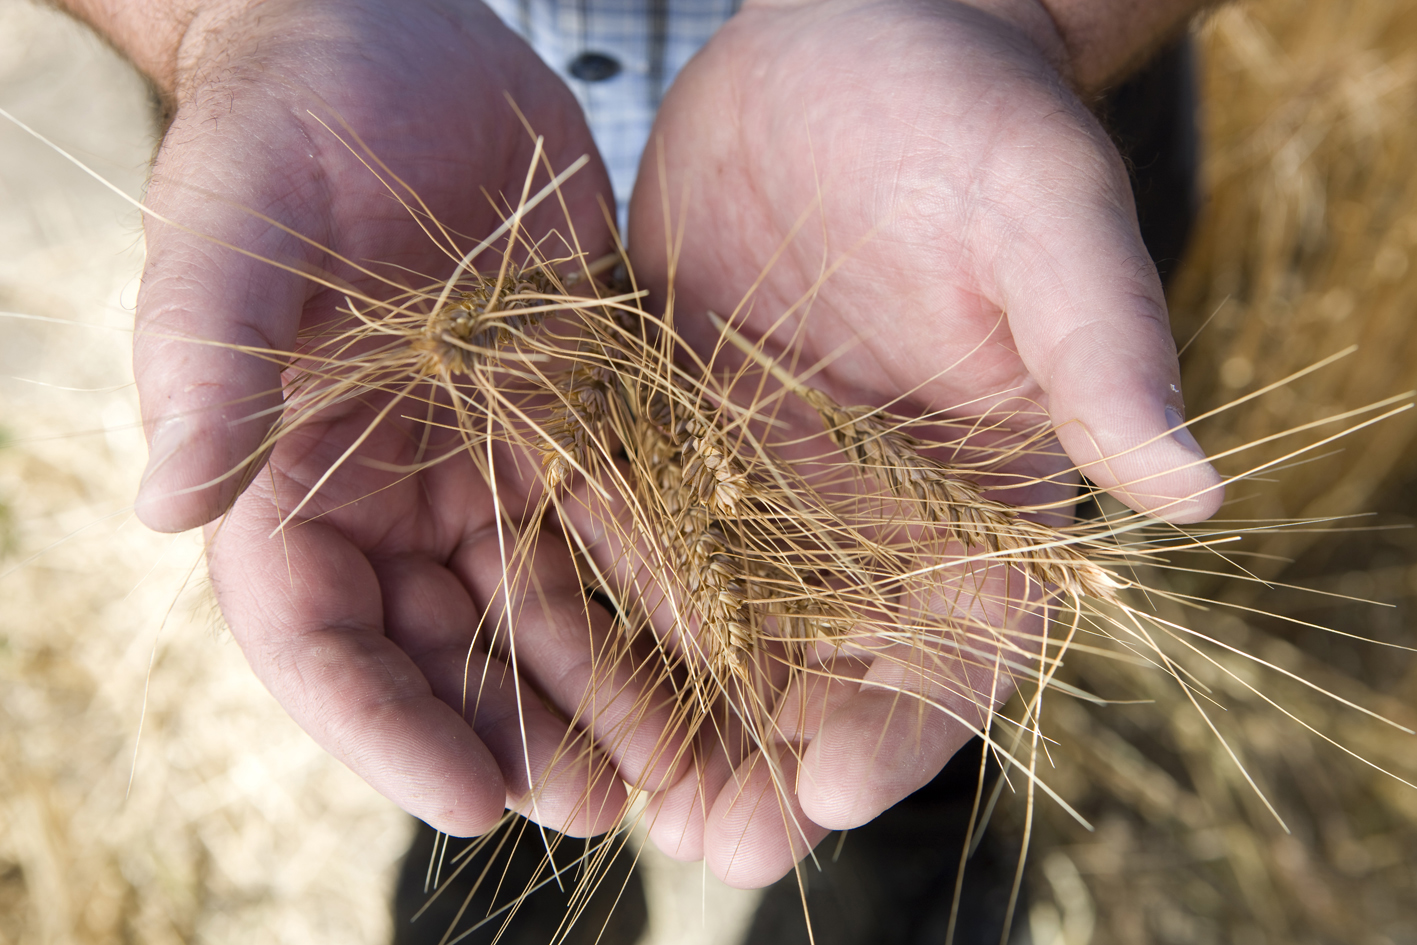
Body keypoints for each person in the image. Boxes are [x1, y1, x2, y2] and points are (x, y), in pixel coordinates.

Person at [58, 0, 1223, 898]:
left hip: (934, 249)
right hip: (391, 209)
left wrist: (1017, 16)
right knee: (475, 665)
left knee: (910, 696)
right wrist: (245, 19)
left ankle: (914, 865)